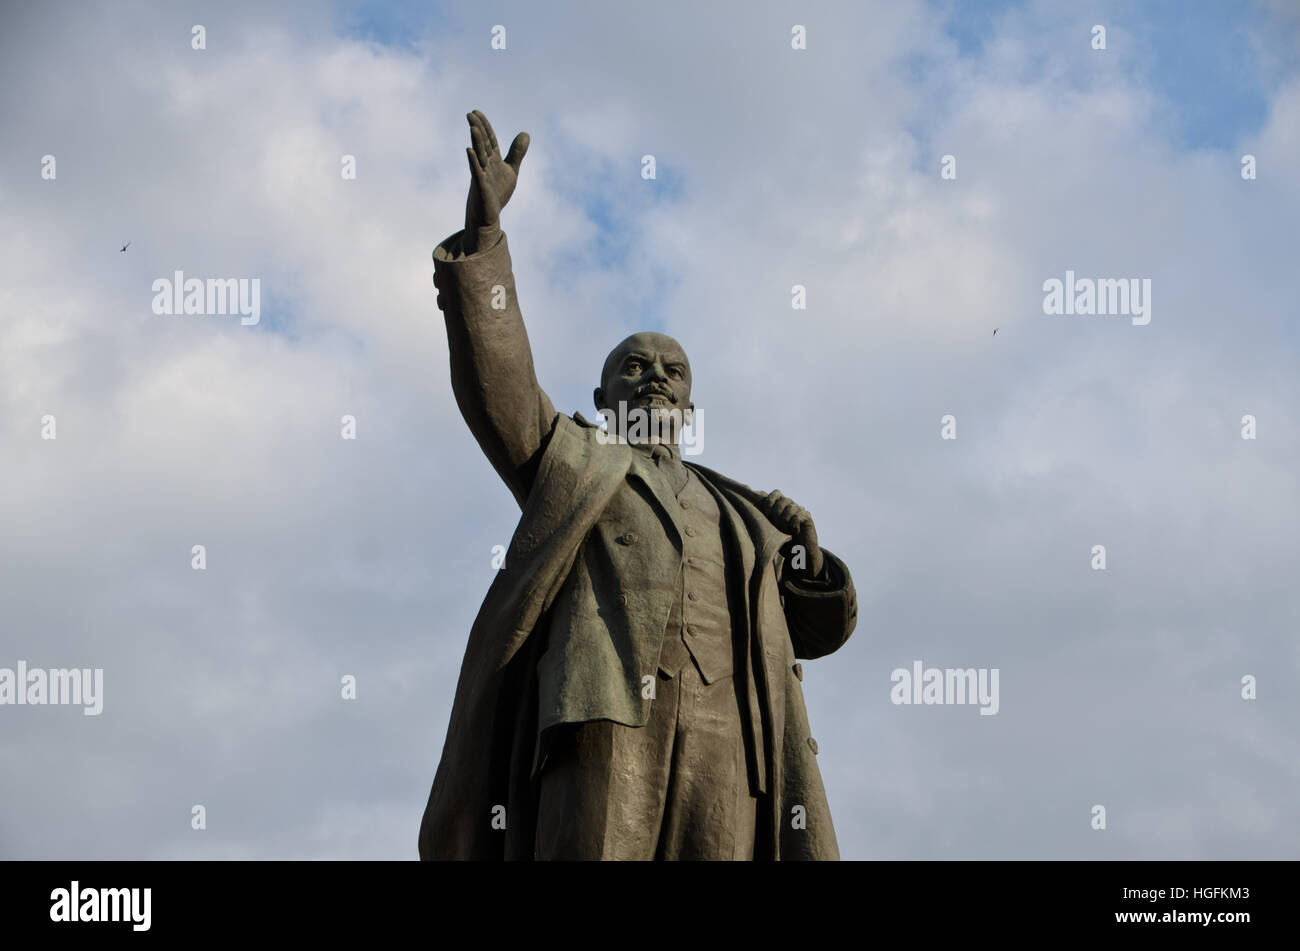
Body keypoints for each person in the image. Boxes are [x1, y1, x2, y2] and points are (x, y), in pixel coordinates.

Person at [419, 110, 858, 860]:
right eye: (635, 367)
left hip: (735, 749)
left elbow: (818, 634)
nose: (655, 375)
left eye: (673, 370)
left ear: (689, 403)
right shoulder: (576, 462)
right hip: (605, 722)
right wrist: (485, 240)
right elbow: (502, 390)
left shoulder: (743, 513)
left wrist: (811, 565)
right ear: (602, 401)